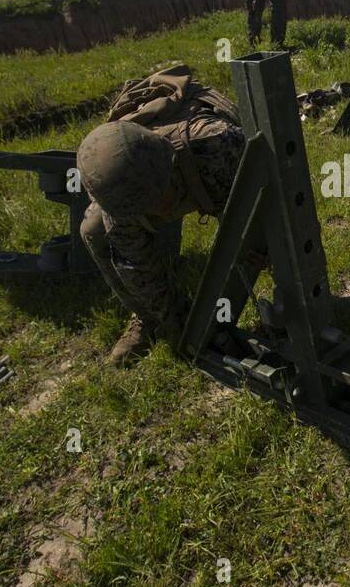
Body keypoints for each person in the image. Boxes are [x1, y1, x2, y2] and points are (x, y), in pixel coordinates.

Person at [76, 64, 247, 366]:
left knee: (253, 243)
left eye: (158, 199)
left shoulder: (217, 145)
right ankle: (145, 318)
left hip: (200, 164)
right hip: (151, 176)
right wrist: (180, 325)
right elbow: (136, 266)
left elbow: (266, 209)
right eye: (146, 209)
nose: (160, 212)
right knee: (93, 231)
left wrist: (256, 254)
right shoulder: (122, 203)